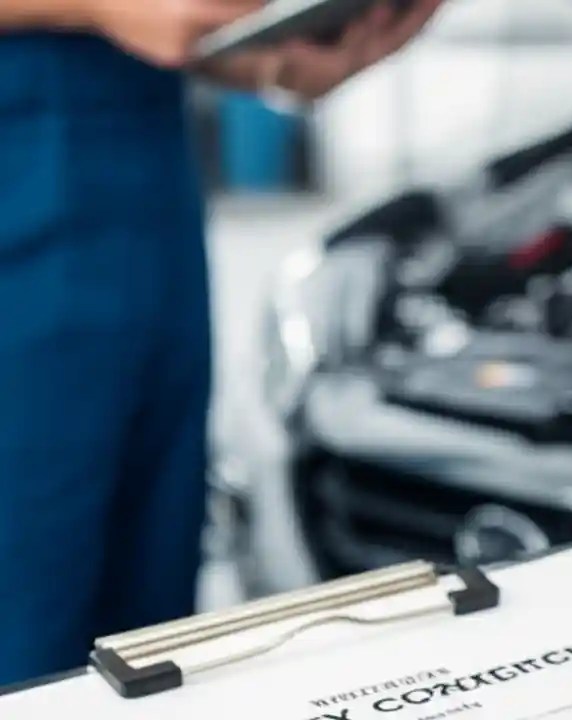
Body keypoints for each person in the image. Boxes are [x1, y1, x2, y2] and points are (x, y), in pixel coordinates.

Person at [0, 0, 443, 685]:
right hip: (21, 189)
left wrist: (261, 48)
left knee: (145, 637)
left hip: (144, 186)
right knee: (23, 636)